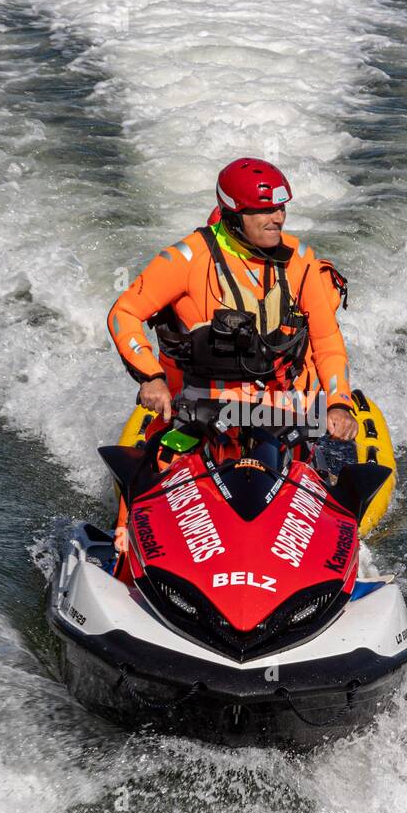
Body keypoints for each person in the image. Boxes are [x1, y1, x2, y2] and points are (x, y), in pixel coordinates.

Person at [106, 157, 359, 553]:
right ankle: (125, 551)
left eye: (280, 208)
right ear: (233, 213)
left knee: (323, 469)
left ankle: (330, 556)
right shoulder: (187, 259)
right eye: (264, 210)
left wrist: (339, 402)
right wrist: (151, 377)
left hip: (280, 406)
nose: (277, 218)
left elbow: (326, 342)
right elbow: (125, 313)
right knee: (161, 457)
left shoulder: (302, 262)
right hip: (201, 403)